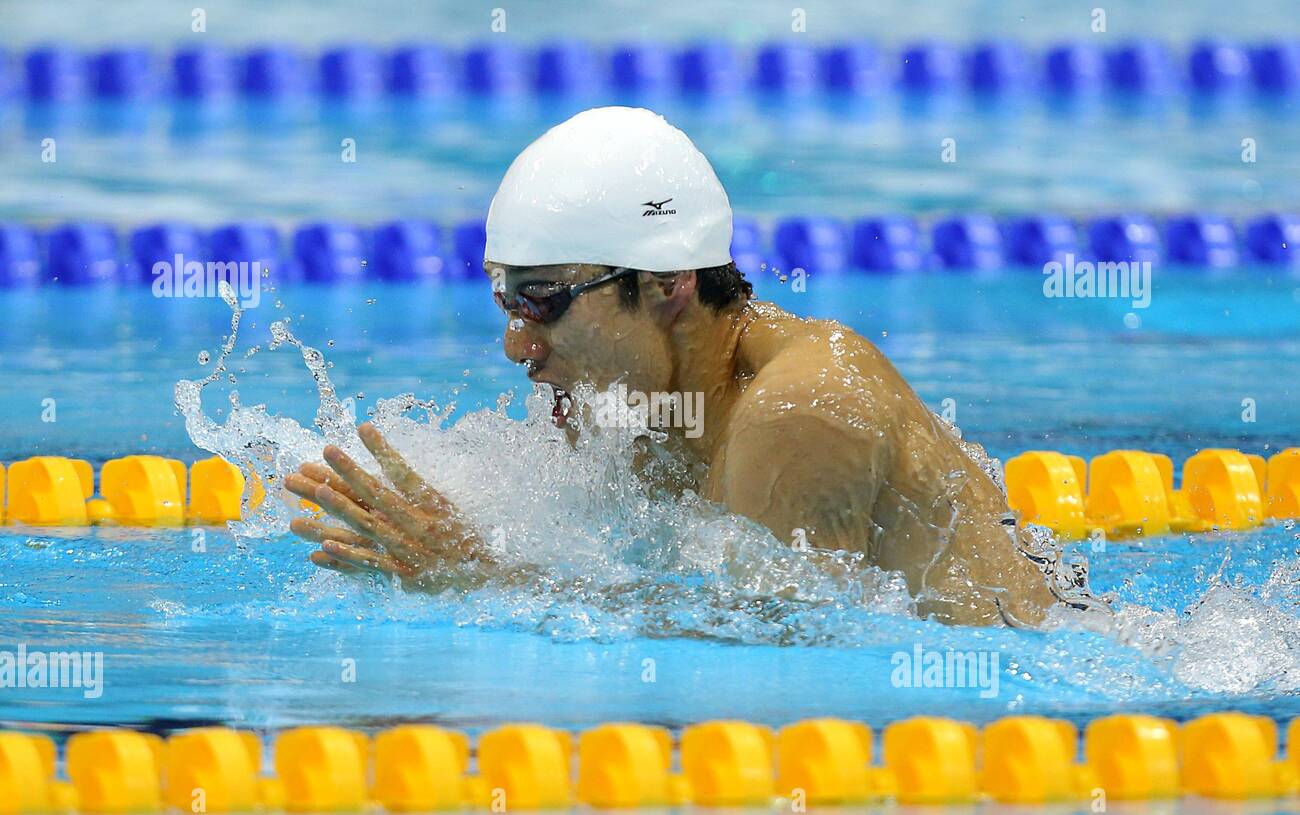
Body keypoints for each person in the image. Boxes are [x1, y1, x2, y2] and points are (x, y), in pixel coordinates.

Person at [286, 106, 1055, 627]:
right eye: (506, 302)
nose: (517, 346)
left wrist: (481, 580)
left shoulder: (802, 408)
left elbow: (775, 651)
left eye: (544, 301)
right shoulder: (647, 411)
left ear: (665, 285)